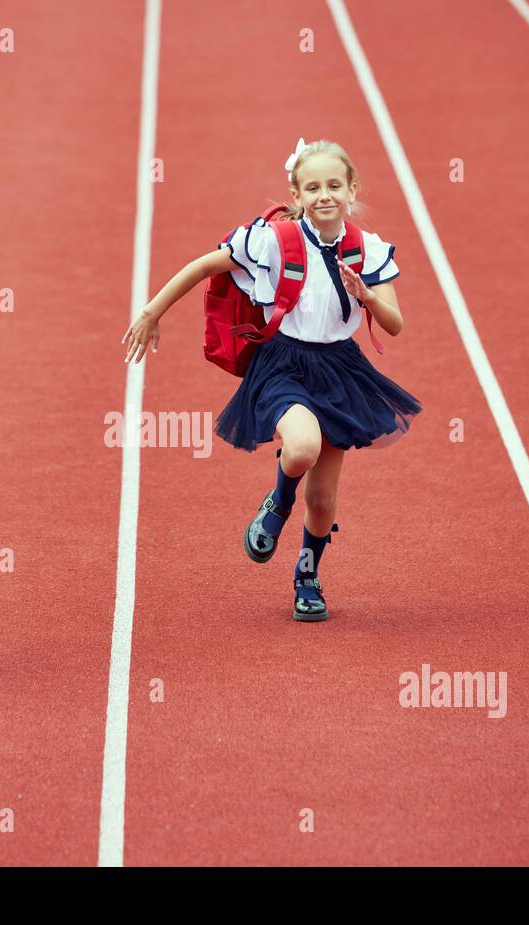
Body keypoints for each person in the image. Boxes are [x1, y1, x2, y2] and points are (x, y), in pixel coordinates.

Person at [122, 138, 421, 622]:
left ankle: (308, 574)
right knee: (301, 447)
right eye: (313, 187)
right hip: (284, 363)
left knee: (323, 502)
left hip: (340, 370)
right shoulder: (272, 241)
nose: (324, 195)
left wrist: (367, 295)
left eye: (334, 185)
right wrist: (153, 311)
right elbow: (205, 265)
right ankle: (278, 505)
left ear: (351, 189)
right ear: (297, 195)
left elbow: (395, 324)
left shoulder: (367, 249)